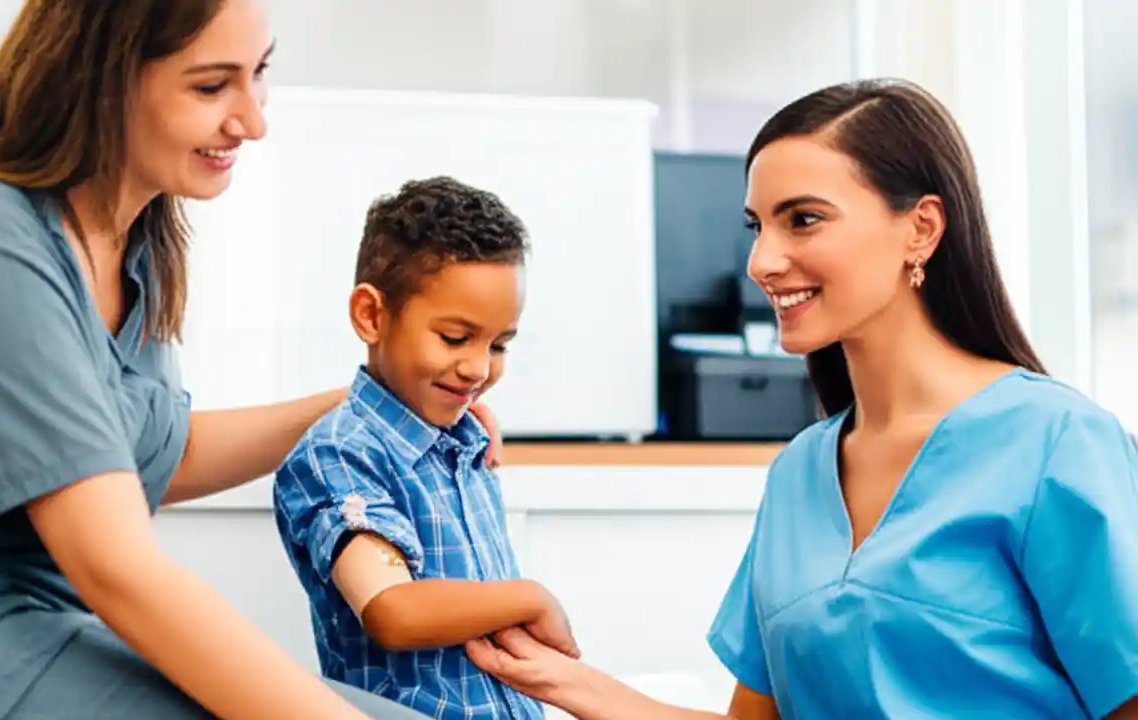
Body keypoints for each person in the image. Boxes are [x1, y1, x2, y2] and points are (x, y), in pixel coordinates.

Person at [0, 2, 504, 718]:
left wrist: (378, 407)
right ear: (101, 82)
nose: (252, 120)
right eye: (210, 87)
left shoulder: (137, 244)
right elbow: (116, 566)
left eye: (258, 74)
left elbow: (149, 449)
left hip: (39, 624)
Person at [462, 78, 1138, 720]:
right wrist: (564, 680)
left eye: (803, 220)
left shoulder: (1057, 441)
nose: (762, 261)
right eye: (757, 225)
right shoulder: (801, 473)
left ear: (922, 229)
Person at [273, 176, 575, 720]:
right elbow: (394, 611)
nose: (479, 369)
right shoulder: (339, 454)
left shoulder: (461, 438)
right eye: (455, 339)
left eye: (499, 344)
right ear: (371, 316)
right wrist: (531, 597)